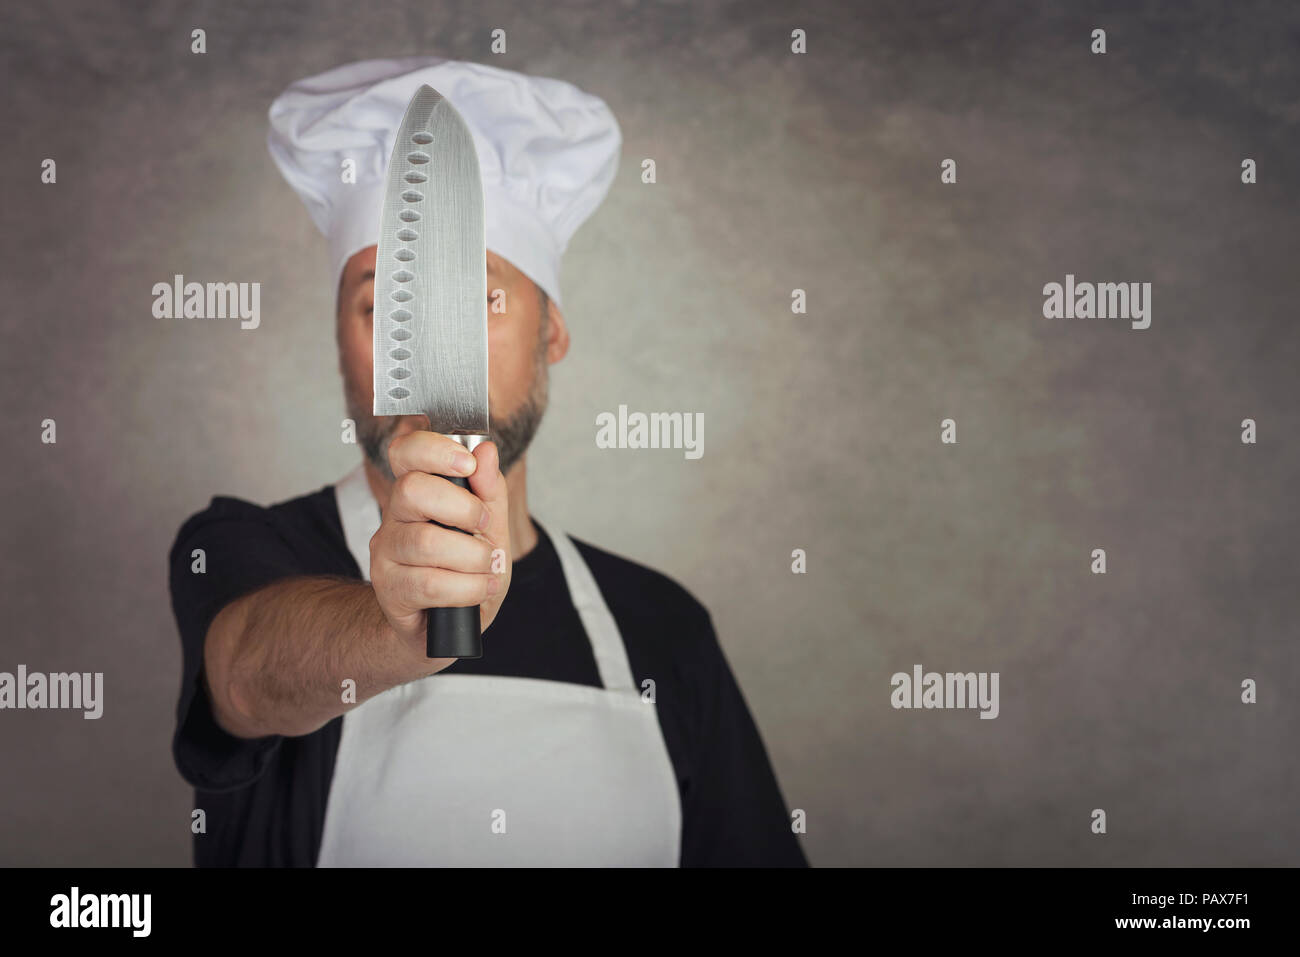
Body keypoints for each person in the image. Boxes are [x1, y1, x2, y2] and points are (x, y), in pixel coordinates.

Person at [168, 55, 807, 867]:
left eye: (484, 298)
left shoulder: (665, 629)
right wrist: (390, 629)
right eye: (376, 301)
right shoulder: (241, 549)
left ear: (553, 334)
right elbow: (247, 677)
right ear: (339, 340)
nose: (425, 331)